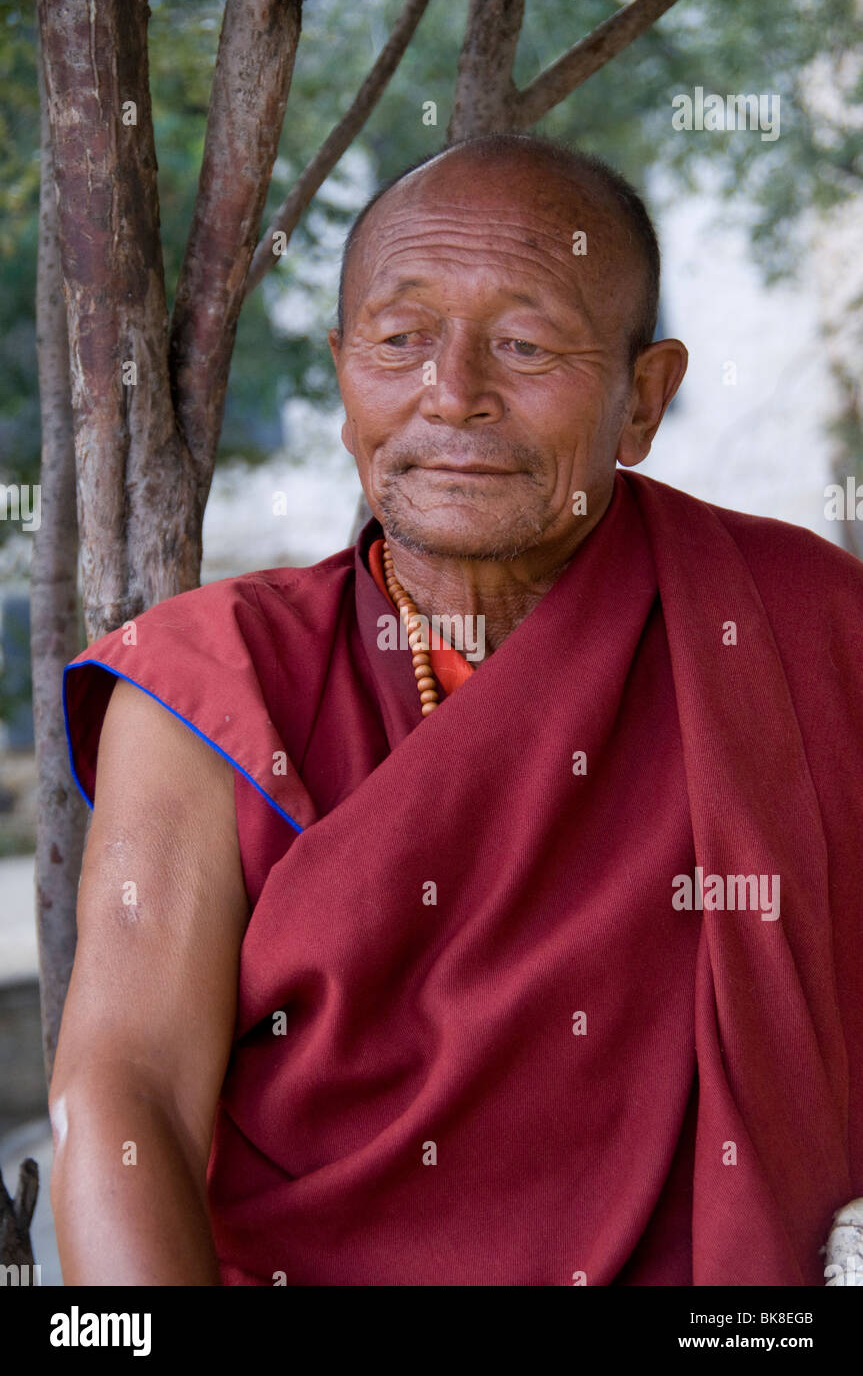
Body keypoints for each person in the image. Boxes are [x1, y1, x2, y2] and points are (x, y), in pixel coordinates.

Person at [53, 133, 863, 1286]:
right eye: (399, 340)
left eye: (525, 344)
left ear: (643, 398)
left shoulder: (803, 625)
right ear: (342, 377)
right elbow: (126, 1088)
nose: (452, 394)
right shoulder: (216, 680)